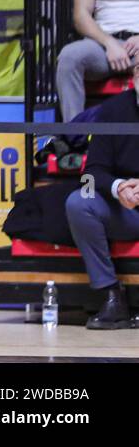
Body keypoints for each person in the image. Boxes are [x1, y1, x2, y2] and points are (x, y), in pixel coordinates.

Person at [64, 61, 139, 329]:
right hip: (127, 210)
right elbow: (91, 172)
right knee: (79, 201)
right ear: (134, 75)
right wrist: (119, 187)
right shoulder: (114, 109)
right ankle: (111, 296)